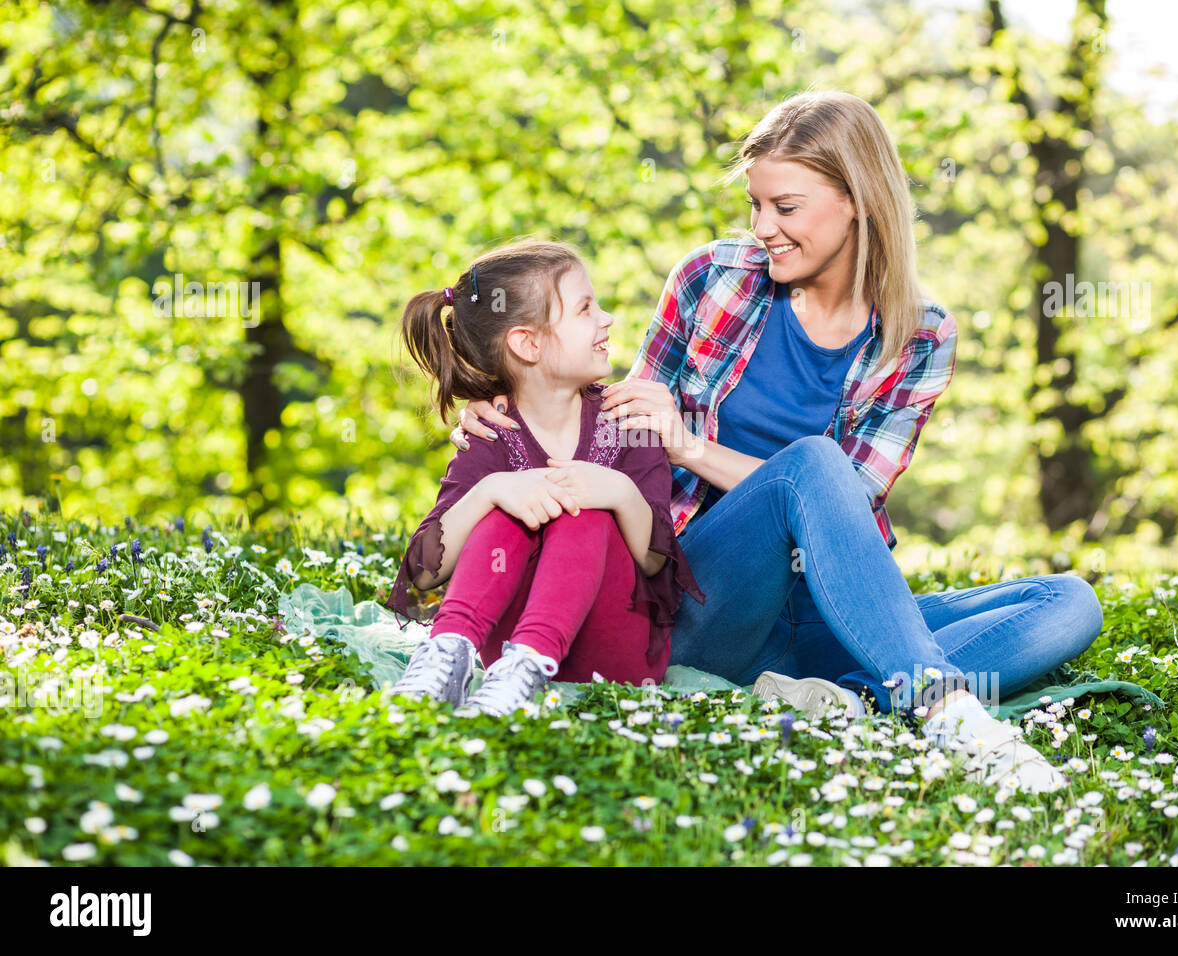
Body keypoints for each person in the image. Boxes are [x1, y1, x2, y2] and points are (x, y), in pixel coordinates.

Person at [452, 91, 1103, 793]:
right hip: (701, 596)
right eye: (756, 205)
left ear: (857, 200)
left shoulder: (921, 334)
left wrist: (694, 447)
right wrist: (513, 407)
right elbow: (609, 420)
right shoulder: (711, 278)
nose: (763, 227)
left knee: (1069, 603)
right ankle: (945, 711)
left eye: (785, 208)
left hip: (826, 607)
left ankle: (844, 697)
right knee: (813, 467)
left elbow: (857, 499)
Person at [382, 239, 705, 717]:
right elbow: (424, 572)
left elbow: (656, 561)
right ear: (526, 343)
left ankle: (532, 662)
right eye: (585, 309)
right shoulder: (493, 432)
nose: (607, 319)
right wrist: (492, 491)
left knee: (581, 508)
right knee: (507, 503)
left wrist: (615, 492)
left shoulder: (628, 421)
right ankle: (448, 653)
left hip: (611, 648)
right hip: (504, 651)